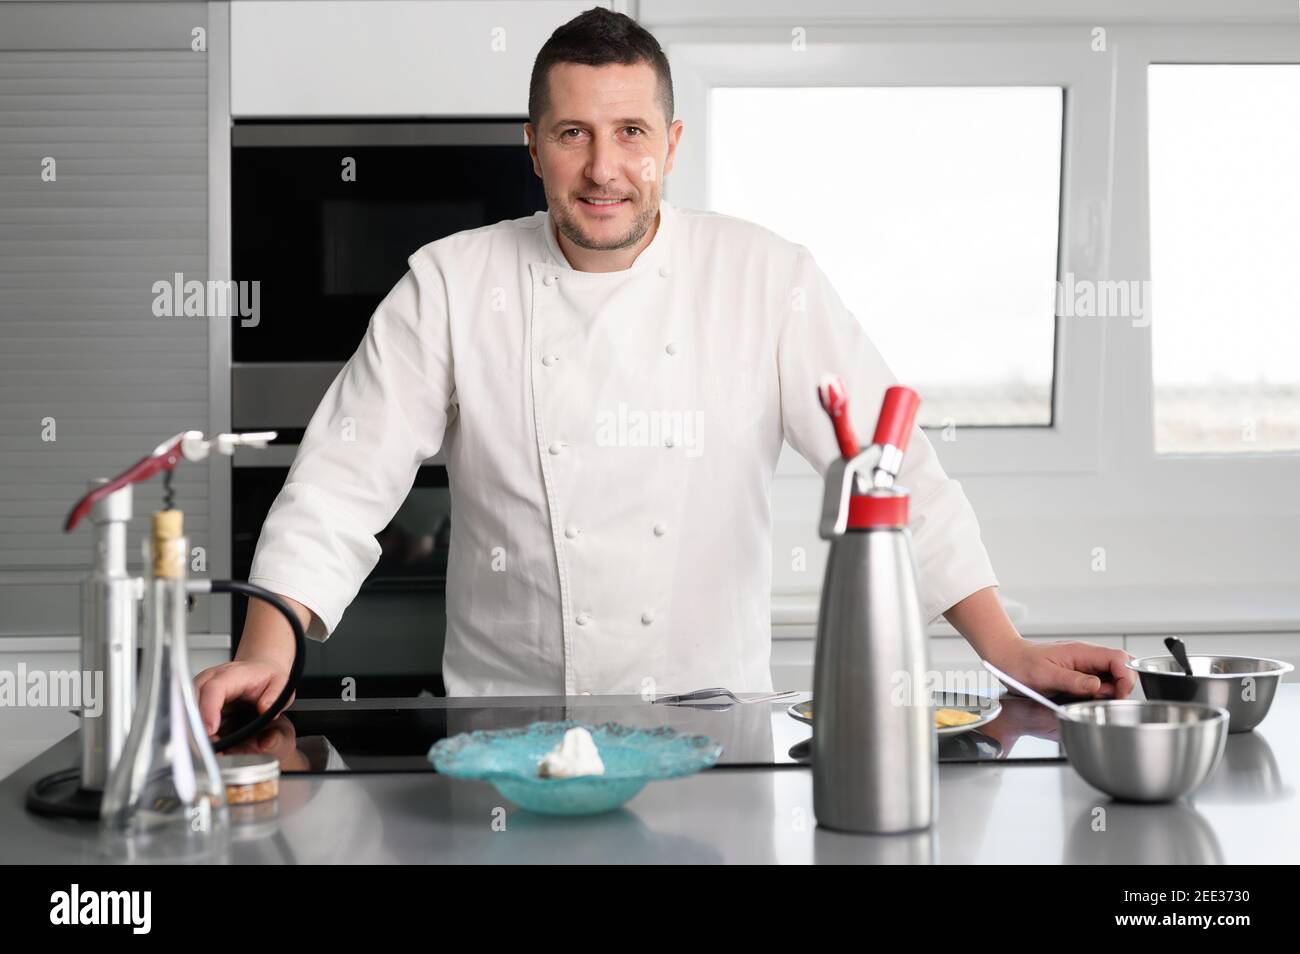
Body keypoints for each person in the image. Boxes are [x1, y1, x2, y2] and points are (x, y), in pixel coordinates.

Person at [195, 8, 1134, 735]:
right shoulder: (451, 283)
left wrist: (1004, 648)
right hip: (508, 744)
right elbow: (339, 480)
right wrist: (266, 654)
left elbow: (892, 471)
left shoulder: (764, 277)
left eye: (632, 133)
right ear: (533, 145)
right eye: (573, 133)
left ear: (671, 145)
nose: (604, 169)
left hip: (715, 739)